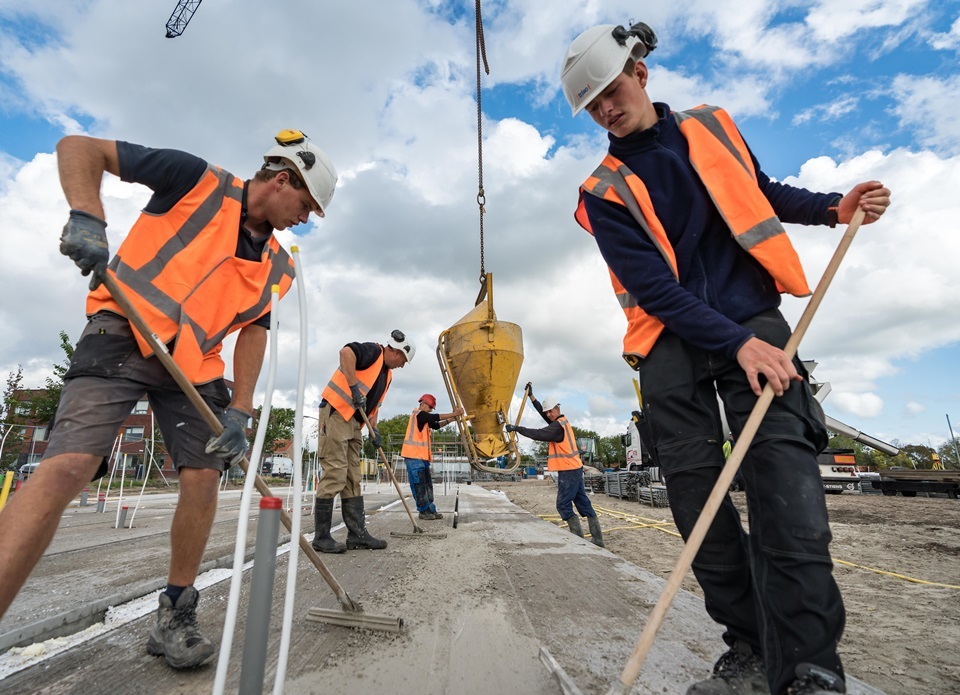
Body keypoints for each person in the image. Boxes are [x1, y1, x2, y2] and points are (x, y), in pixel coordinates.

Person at [561, 22, 891, 695]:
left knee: (787, 492)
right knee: (698, 503)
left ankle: (808, 669)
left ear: (640, 73)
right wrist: (734, 342)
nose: (605, 108)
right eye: (592, 104)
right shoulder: (602, 190)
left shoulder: (712, 126)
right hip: (671, 345)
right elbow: (656, 289)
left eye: (611, 90)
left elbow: (760, 191)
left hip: (753, 323)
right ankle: (749, 642)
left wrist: (834, 207)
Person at [0, 129, 336, 669]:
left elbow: (253, 331)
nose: (306, 218)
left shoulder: (278, 267)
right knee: (69, 467)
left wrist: (241, 409)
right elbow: (79, 148)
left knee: (203, 479)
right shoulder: (195, 180)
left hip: (195, 365)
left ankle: (174, 614)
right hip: (124, 328)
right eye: (306, 204)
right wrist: (88, 214)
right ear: (282, 180)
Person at [311, 331, 415, 553]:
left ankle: (357, 535)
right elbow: (345, 352)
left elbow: (374, 408)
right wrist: (353, 387)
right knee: (336, 472)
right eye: (403, 361)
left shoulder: (387, 376)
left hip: (355, 424)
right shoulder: (373, 351)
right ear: (395, 351)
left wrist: (374, 431)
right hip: (337, 413)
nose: (402, 366)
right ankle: (321, 537)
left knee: (352, 478)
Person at [506, 384, 604, 547]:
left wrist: (517, 428)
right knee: (583, 503)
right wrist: (532, 398)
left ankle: (578, 540)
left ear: (557, 409)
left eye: (550, 411)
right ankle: (598, 540)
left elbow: (538, 433)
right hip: (575, 467)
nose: (548, 415)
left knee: (563, 505)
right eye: (547, 413)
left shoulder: (557, 427)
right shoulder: (561, 422)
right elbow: (544, 416)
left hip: (568, 469)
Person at [400, 394, 464, 520]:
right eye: (430, 407)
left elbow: (436, 424)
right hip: (413, 457)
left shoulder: (423, 419)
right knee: (419, 486)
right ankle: (423, 512)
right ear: (423, 404)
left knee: (427, 485)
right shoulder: (419, 414)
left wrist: (453, 419)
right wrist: (453, 413)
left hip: (421, 458)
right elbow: (434, 417)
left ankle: (430, 510)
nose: (430, 410)